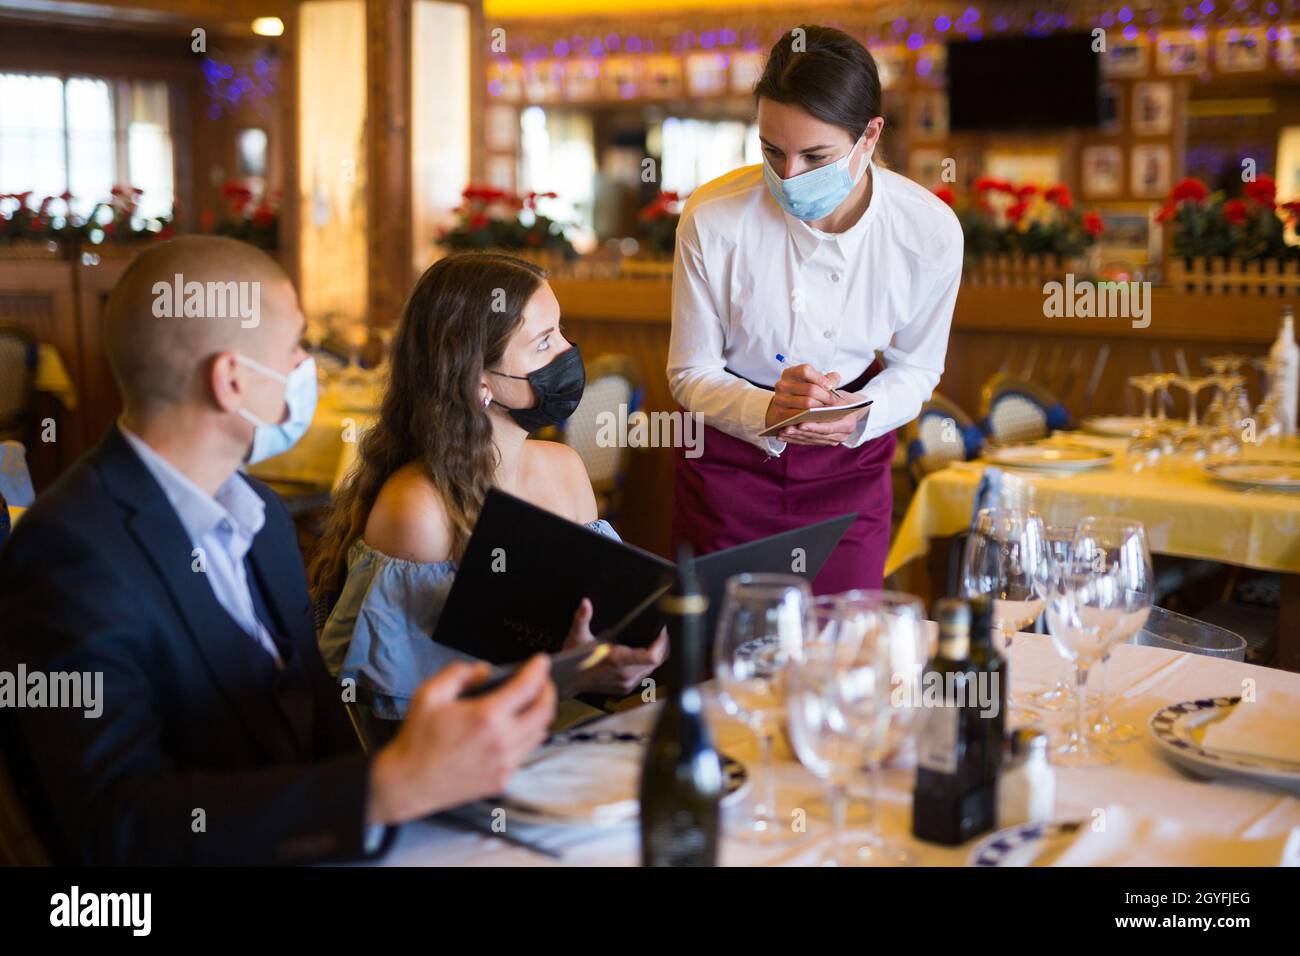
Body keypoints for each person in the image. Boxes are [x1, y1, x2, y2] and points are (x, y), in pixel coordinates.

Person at [0, 237, 556, 865]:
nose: (305, 367)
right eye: (294, 349)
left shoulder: (261, 516)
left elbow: (316, 720)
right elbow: (114, 822)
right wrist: (387, 786)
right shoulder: (69, 553)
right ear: (231, 380)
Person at [668, 25, 963, 593]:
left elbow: (919, 368)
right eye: (772, 151)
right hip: (729, 462)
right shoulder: (711, 220)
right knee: (722, 657)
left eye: (815, 155)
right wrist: (765, 409)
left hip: (849, 464)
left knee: (845, 652)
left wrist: (861, 414)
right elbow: (689, 372)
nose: (789, 175)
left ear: (870, 136)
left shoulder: (927, 232)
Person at [311, 252, 666, 722]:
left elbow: (596, 623)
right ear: (477, 378)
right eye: (544, 343)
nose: (568, 353)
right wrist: (566, 674)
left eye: (561, 330)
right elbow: (408, 715)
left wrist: (617, 658)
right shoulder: (418, 508)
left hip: (570, 728)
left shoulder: (566, 468)